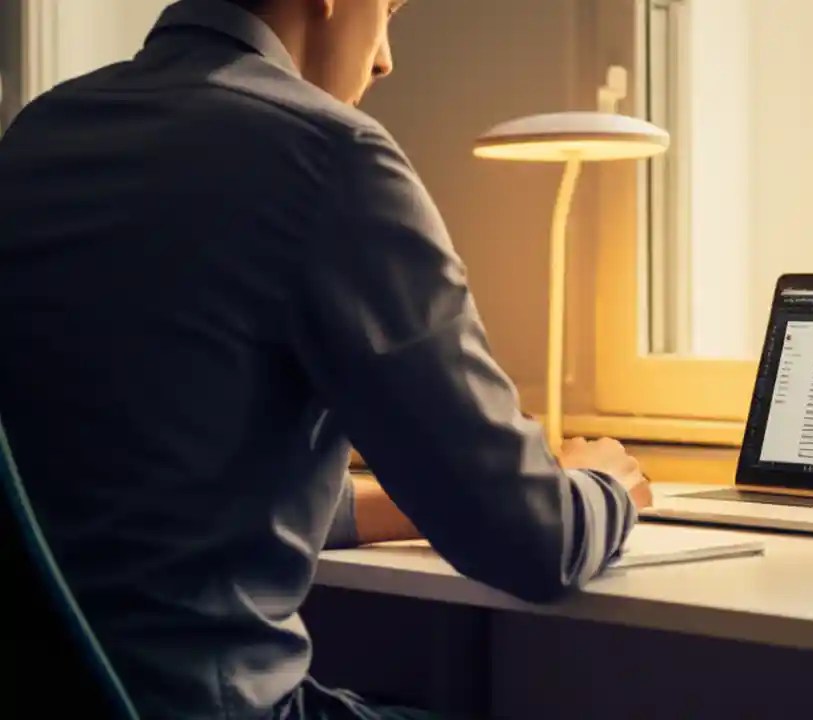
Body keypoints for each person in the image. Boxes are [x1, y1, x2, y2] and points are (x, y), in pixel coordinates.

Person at [0, 0, 651, 717]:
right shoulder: (328, 155)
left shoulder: (43, 133)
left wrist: (415, 502)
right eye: (390, 10)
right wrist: (600, 484)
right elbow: (535, 544)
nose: (384, 58)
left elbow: (164, 482)